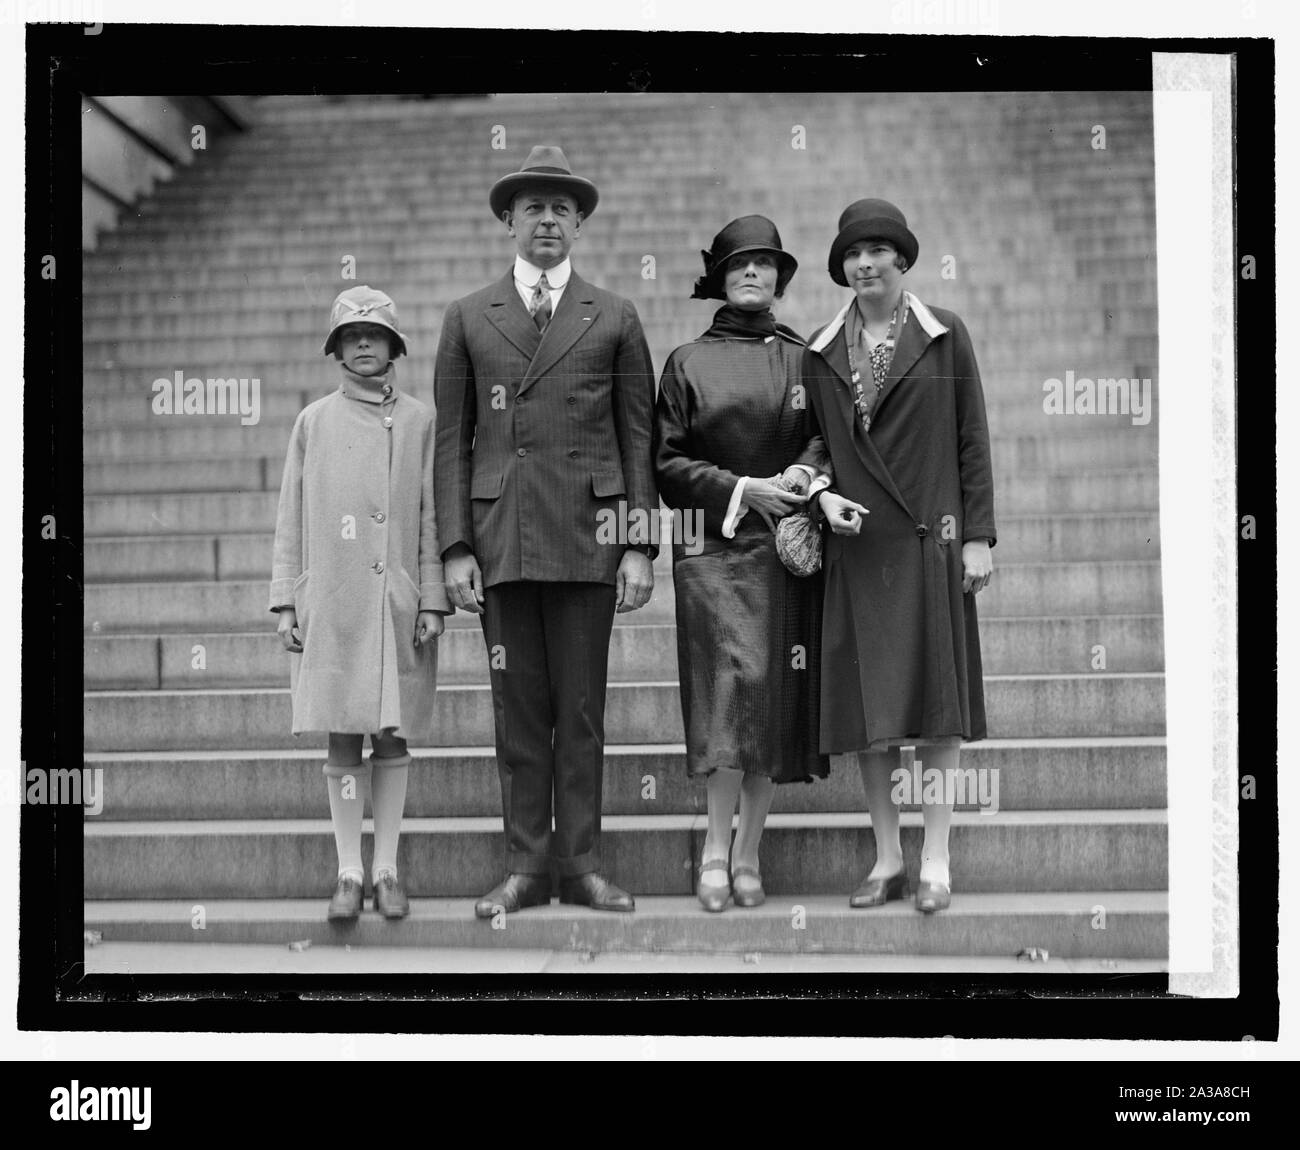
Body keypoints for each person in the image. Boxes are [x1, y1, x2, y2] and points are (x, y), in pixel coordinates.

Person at [434, 145, 658, 917]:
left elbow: (639, 439)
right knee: (519, 710)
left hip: (590, 538)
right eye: (534, 207)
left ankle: (582, 864)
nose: (548, 221)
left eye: (563, 209)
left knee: (583, 712)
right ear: (509, 221)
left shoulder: (616, 315)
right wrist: (456, 545)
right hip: (503, 540)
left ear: (580, 223)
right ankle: (528, 865)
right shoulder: (468, 316)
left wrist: (637, 543)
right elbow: (450, 441)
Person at [802, 199, 996, 914]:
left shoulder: (945, 336)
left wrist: (977, 534)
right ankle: (887, 859)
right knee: (870, 716)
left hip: (930, 544)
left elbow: (972, 437)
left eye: (879, 249)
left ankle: (936, 860)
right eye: (853, 253)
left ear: (902, 260)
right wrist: (818, 492)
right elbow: (809, 448)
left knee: (937, 713)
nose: (865, 262)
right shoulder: (820, 351)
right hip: (860, 549)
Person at [654, 215, 833, 912]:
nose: (753, 273)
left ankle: (750, 853)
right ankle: (712, 852)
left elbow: (825, 438)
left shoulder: (804, 358)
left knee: (770, 702)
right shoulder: (686, 363)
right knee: (726, 698)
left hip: (783, 545)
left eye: (765, 263)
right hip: (711, 547)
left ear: (780, 278)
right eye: (740, 264)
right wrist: (736, 488)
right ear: (721, 279)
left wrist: (796, 475)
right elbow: (665, 462)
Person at [270, 285, 449, 922]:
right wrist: (288, 602)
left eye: (375, 334)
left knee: (393, 734)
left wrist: (429, 596)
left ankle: (387, 868)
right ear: (337, 349)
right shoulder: (313, 422)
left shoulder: (423, 421)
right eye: (352, 336)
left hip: (396, 600)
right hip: (335, 601)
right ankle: (349, 871)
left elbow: (432, 515)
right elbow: (289, 516)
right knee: (343, 736)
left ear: (395, 345)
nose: (364, 344)